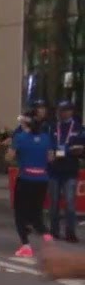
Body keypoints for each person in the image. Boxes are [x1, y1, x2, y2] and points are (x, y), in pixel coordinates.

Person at [7, 113, 54, 257]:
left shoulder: (20, 138)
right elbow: (50, 158)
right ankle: (47, 236)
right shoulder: (47, 138)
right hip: (42, 179)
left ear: (25, 125)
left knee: (20, 212)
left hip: (26, 177)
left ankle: (26, 245)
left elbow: (9, 157)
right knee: (37, 211)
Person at [48, 100, 84, 242]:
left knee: (70, 203)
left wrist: (60, 152)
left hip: (70, 171)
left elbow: (80, 149)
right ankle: (54, 231)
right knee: (54, 203)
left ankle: (70, 233)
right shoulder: (52, 127)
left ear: (71, 111)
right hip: (54, 171)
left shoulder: (78, 128)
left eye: (66, 110)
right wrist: (68, 151)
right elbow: (50, 149)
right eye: (61, 110)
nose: (63, 113)